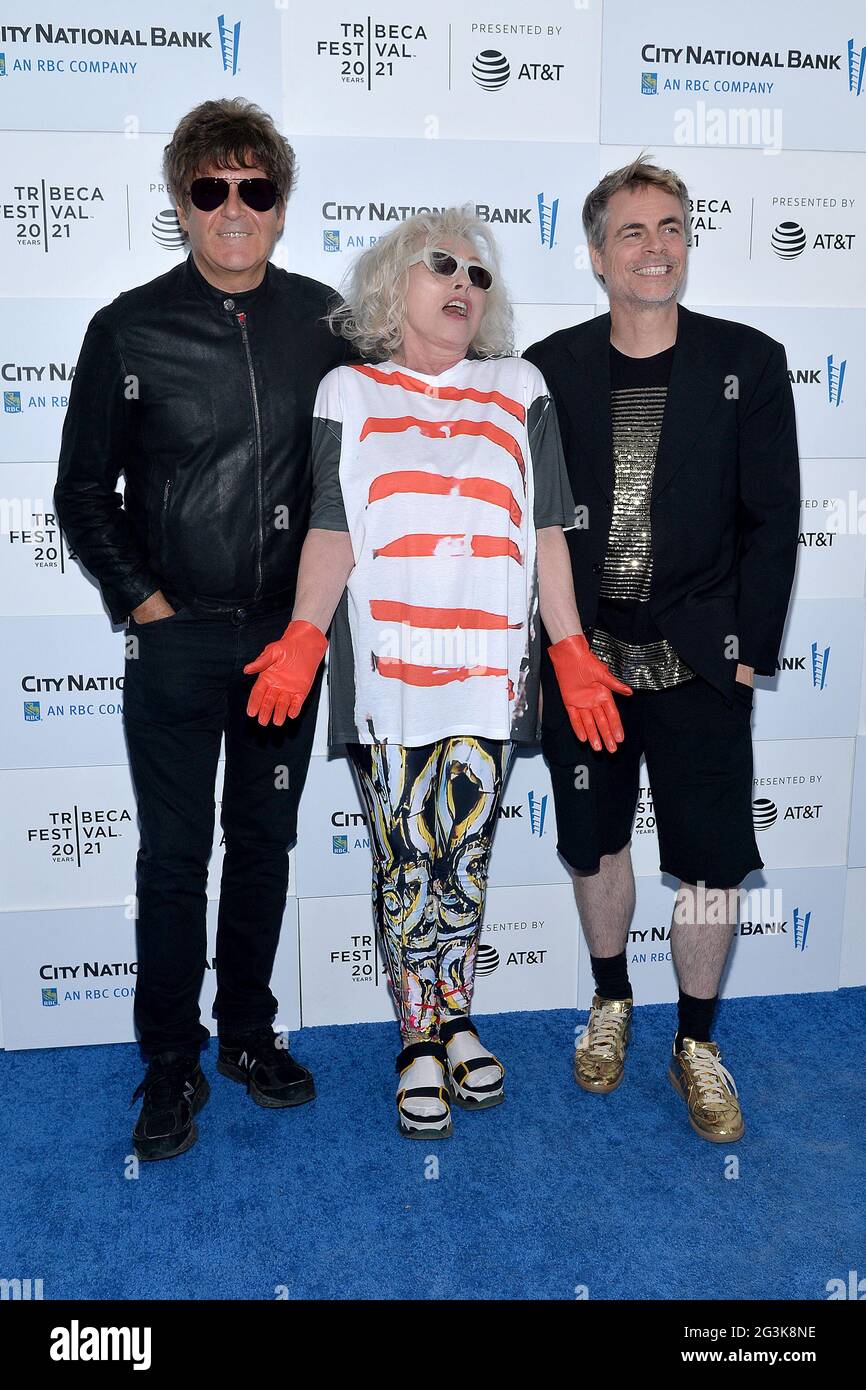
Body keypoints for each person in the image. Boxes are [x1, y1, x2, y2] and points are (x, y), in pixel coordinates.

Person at [244, 207, 630, 1139]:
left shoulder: (518, 384)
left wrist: (571, 649)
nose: (463, 284)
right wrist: (303, 636)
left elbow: (547, 533)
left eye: (478, 274)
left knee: (463, 857)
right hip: (388, 682)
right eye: (441, 266)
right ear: (393, 284)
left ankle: (453, 1018)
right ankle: (416, 1038)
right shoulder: (349, 391)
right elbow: (333, 530)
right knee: (402, 860)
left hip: (489, 677)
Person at [54, 98, 350, 1161]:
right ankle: (169, 1060)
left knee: (262, 846)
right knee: (175, 858)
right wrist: (149, 605)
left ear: (278, 205)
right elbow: (82, 493)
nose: (234, 210)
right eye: (211, 190)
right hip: (174, 642)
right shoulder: (127, 327)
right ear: (182, 203)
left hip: (286, 643)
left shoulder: (325, 323)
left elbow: (353, 479)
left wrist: (309, 626)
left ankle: (246, 1034)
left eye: (254, 190)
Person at [524, 156, 800, 1143]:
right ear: (595, 253)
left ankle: (694, 1042)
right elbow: (538, 522)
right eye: (632, 232)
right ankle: (608, 1000)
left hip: (698, 653)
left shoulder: (748, 361)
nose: (654, 246)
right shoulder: (547, 367)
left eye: (671, 227)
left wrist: (742, 655)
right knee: (594, 844)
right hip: (582, 655)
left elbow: (772, 521)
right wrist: (558, 649)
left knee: (709, 863)